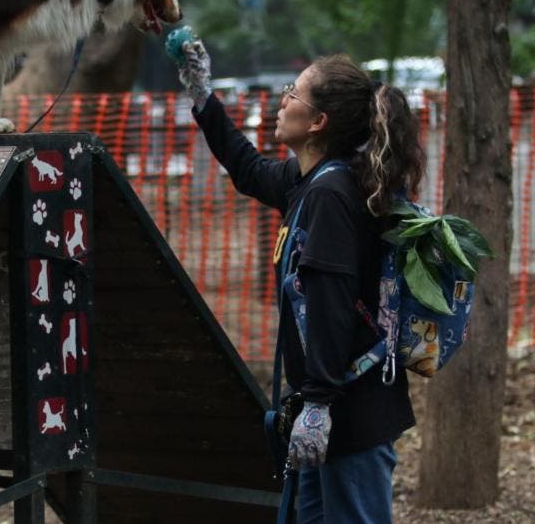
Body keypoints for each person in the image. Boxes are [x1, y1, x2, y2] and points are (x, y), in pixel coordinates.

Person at [172, 40, 422, 523]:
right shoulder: (308, 180)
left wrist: (320, 405)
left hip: (347, 414)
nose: (281, 101)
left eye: (293, 95)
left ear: (317, 123)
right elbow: (247, 169)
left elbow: (331, 303)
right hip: (323, 409)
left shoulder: (331, 193)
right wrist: (203, 96)